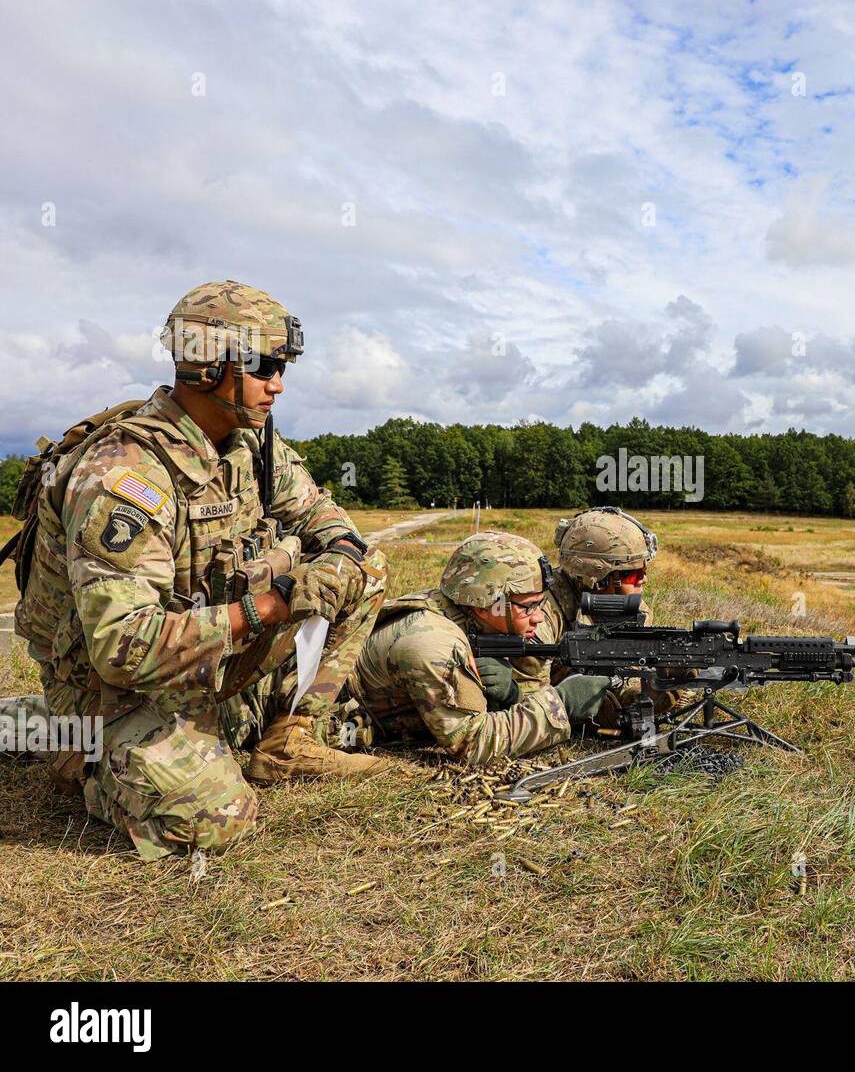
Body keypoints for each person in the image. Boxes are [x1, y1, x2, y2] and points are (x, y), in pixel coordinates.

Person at [8, 280, 388, 861]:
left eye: (282, 366)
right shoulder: (127, 473)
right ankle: (63, 743)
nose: (277, 384)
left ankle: (289, 738)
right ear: (208, 367)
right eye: (264, 365)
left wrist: (336, 556)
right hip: (115, 693)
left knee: (366, 571)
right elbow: (120, 648)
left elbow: (322, 515)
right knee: (213, 819)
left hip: (207, 661)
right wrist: (274, 602)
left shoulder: (251, 445)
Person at [345, 531, 609, 762]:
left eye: (540, 604)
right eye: (528, 606)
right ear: (488, 602)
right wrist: (560, 704)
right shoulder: (433, 641)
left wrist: (509, 694)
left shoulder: (461, 610)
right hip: (340, 729)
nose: (538, 617)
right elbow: (473, 743)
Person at [544, 506, 684, 726]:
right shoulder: (542, 613)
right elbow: (528, 700)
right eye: (636, 573)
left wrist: (662, 688)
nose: (644, 580)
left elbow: (626, 679)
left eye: (645, 570)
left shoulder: (634, 612)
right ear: (599, 578)